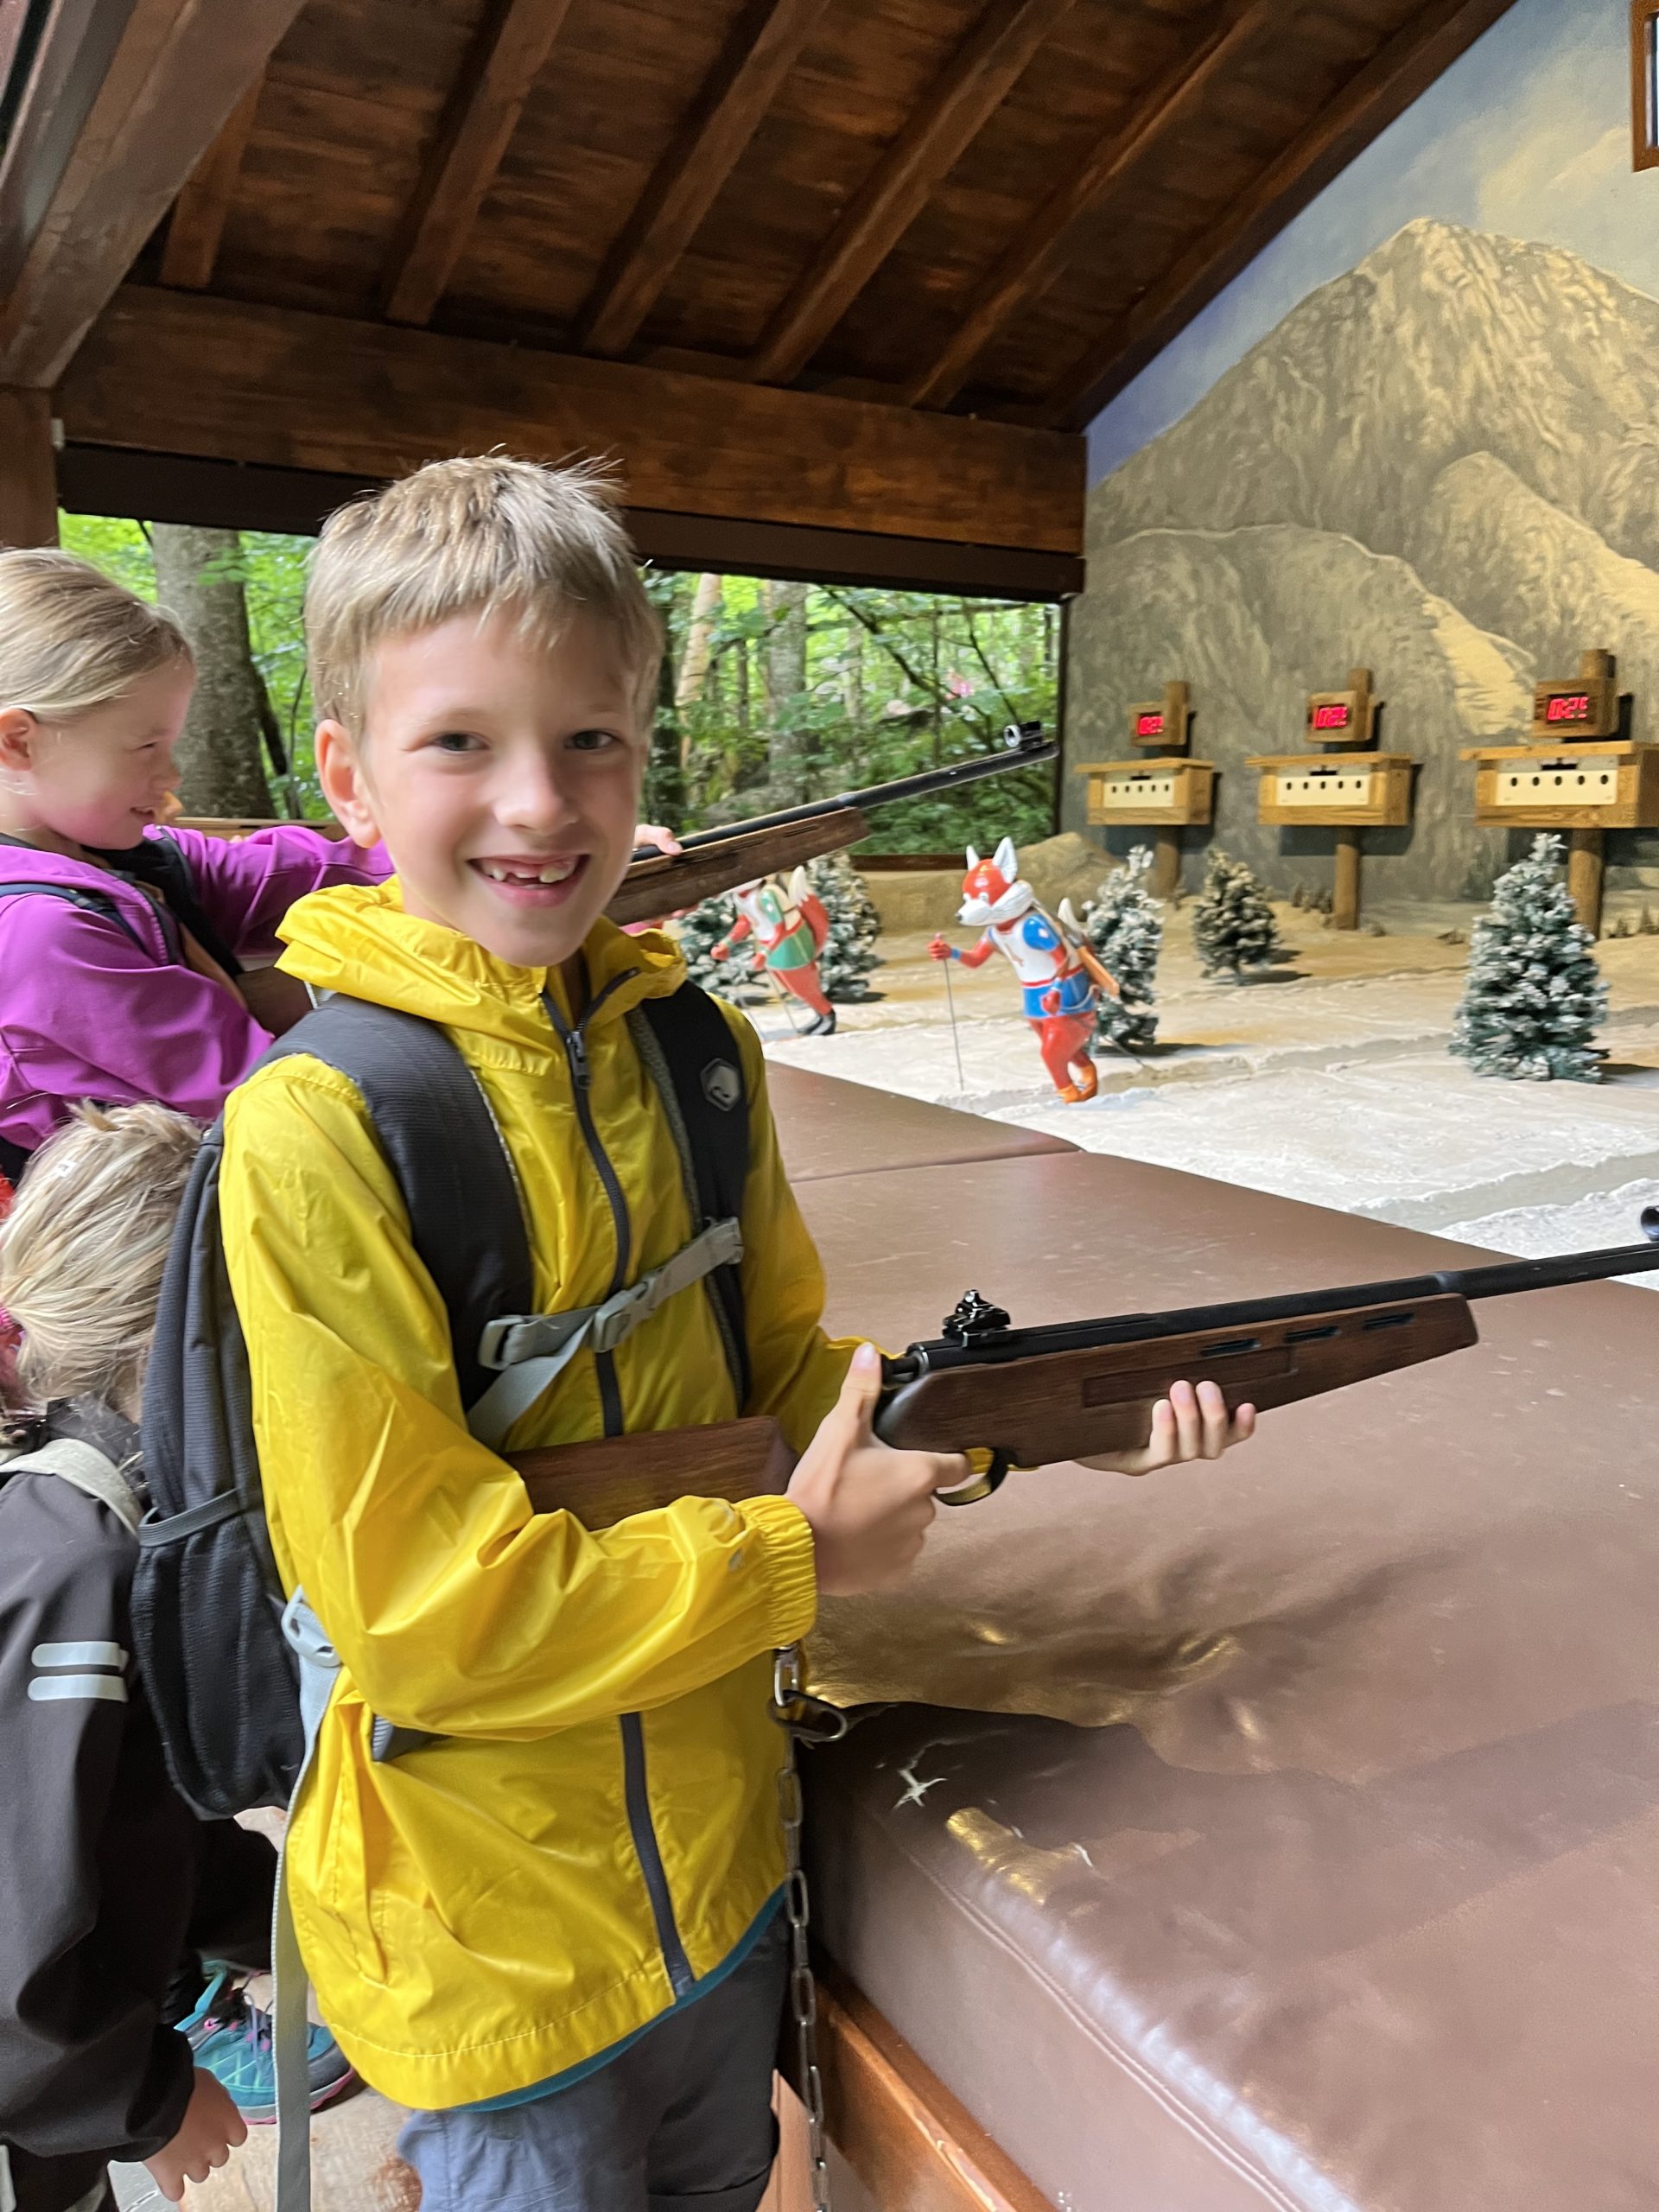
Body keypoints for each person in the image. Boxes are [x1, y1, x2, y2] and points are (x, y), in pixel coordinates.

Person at [218, 454, 1255, 2212]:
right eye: (461, 741)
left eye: (594, 739)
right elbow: (422, 1617)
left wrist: (1037, 1413)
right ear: (347, 773)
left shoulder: (692, 1054)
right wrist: (789, 1559)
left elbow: (774, 1377)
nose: (541, 801)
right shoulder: (321, 1129)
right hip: (493, 1935)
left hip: (713, 1862)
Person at [0, 1104, 353, 2212]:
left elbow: (148, 1820)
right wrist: (142, 2098)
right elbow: (12, 1920)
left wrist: (316, 1926)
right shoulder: (73, 1566)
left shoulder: (122, 1526)